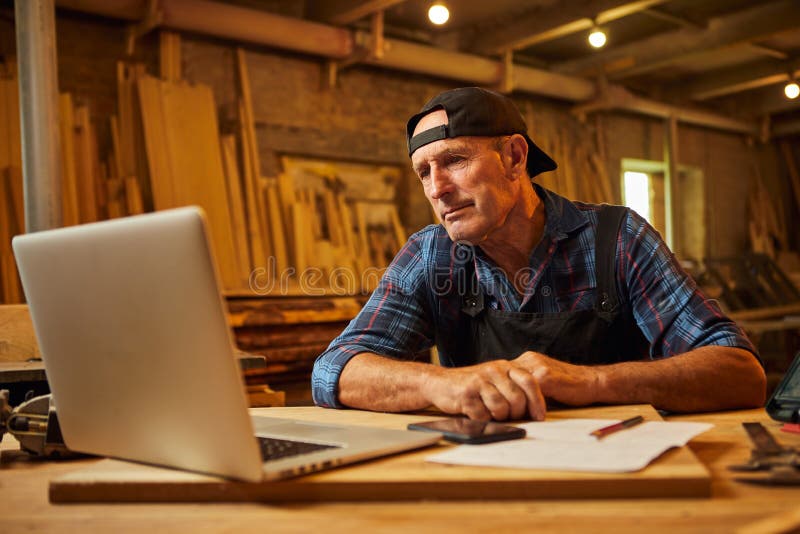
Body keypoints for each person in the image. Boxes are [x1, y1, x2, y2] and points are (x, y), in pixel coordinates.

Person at [311, 87, 765, 421]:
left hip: (620, 472)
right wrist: (441, 383)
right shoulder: (432, 256)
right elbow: (333, 370)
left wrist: (591, 382)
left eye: (454, 161)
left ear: (513, 156)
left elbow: (740, 372)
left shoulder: (616, 238)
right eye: (423, 172)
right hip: (487, 471)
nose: (437, 188)